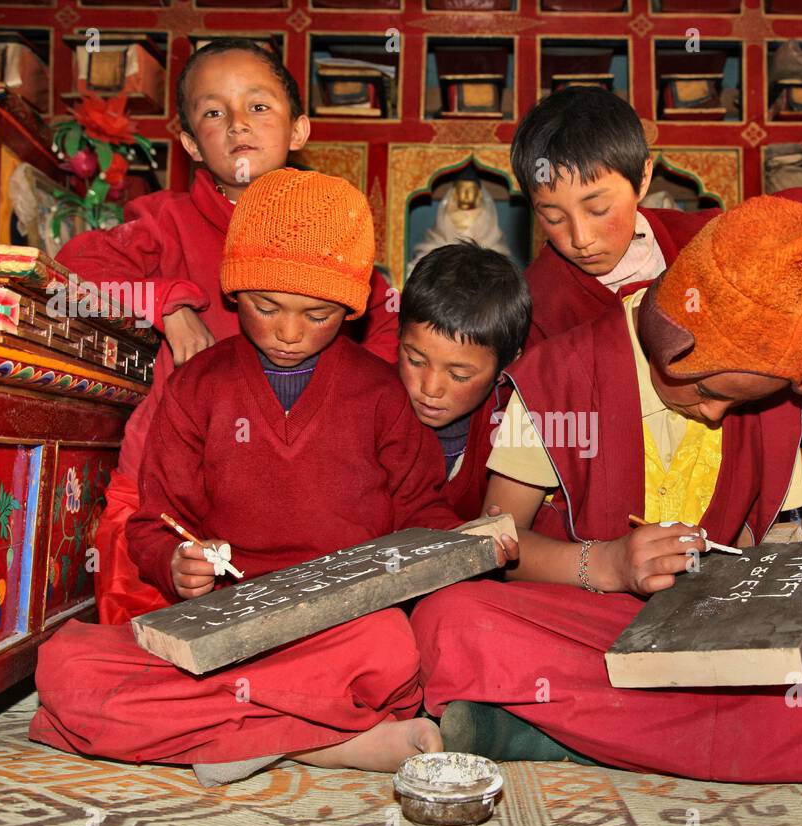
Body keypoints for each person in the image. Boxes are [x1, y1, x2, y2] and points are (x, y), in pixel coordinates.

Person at [410, 195, 802, 788]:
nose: (718, 413)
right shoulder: (561, 372)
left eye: (742, 401)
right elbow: (491, 543)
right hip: (590, 622)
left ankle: (558, 733)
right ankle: (715, 736)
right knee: (452, 618)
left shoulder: (771, 399)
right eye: (706, 392)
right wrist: (611, 564)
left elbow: (771, 541)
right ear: (665, 338)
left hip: (718, 637)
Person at [30, 170, 514, 786]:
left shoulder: (381, 395)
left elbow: (421, 513)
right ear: (234, 293)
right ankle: (321, 742)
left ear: (350, 305)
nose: (289, 333)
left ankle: (247, 735)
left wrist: (468, 545)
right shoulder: (197, 386)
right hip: (227, 624)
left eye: (316, 314)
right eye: (265, 307)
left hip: (340, 625)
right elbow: (154, 524)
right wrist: (178, 565)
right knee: (66, 669)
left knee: (391, 650)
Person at [60, 39, 400, 625]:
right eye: (214, 112)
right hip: (173, 495)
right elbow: (72, 273)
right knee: (138, 648)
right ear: (190, 142)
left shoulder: (335, 230)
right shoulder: (166, 221)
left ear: (299, 129)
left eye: (259, 107)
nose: (238, 124)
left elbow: (387, 341)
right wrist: (168, 303)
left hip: (306, 498)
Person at [510, 83, 802, 535]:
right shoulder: (538, 301)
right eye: (552, 217)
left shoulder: (700, 245)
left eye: (598, 208)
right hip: (600, 520)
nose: (580, 237)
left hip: (721, 499)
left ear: (644, 177)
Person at [396, 241, 531, 519]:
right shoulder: (370, 404)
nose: (430, 389)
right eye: (415, 361)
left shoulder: (511, 430)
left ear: (507, 367)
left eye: (459, 375)